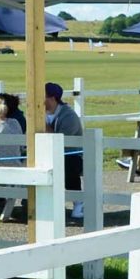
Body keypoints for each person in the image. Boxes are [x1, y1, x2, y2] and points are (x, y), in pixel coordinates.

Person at [44, 82, 85, 225]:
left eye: (43, 96)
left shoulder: (69, 116)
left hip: (71, 154)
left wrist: (44, 126)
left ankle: (79, 202)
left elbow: (60, 142)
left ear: (52, 98)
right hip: (47, 153)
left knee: (68, 164)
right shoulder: (40, 113)